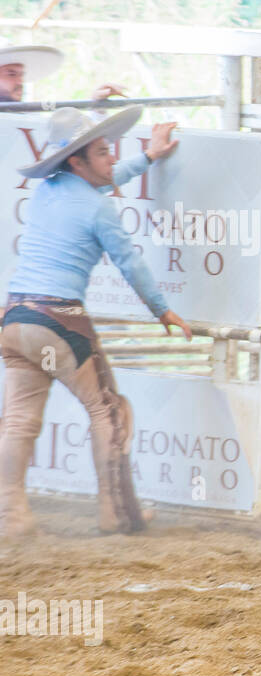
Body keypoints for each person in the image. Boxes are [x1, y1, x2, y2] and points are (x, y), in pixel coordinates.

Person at [0, 106, 191, 538]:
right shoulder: (97, 209)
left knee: (18, 421)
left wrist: (146, 158)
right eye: (103, 151)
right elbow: (130, 263)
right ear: (77, 160)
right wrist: (161, 308)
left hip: (16, 320)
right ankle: (118, 513)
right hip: (58, 320)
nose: (110, 159)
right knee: (108, 409)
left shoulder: (49, 191)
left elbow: (106, 178)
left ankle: (10, 515)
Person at [0, 40, 135, 104]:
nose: (20, 81)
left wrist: (96, 106)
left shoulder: (26, 117)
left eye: (22, 74)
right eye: (11, 74)